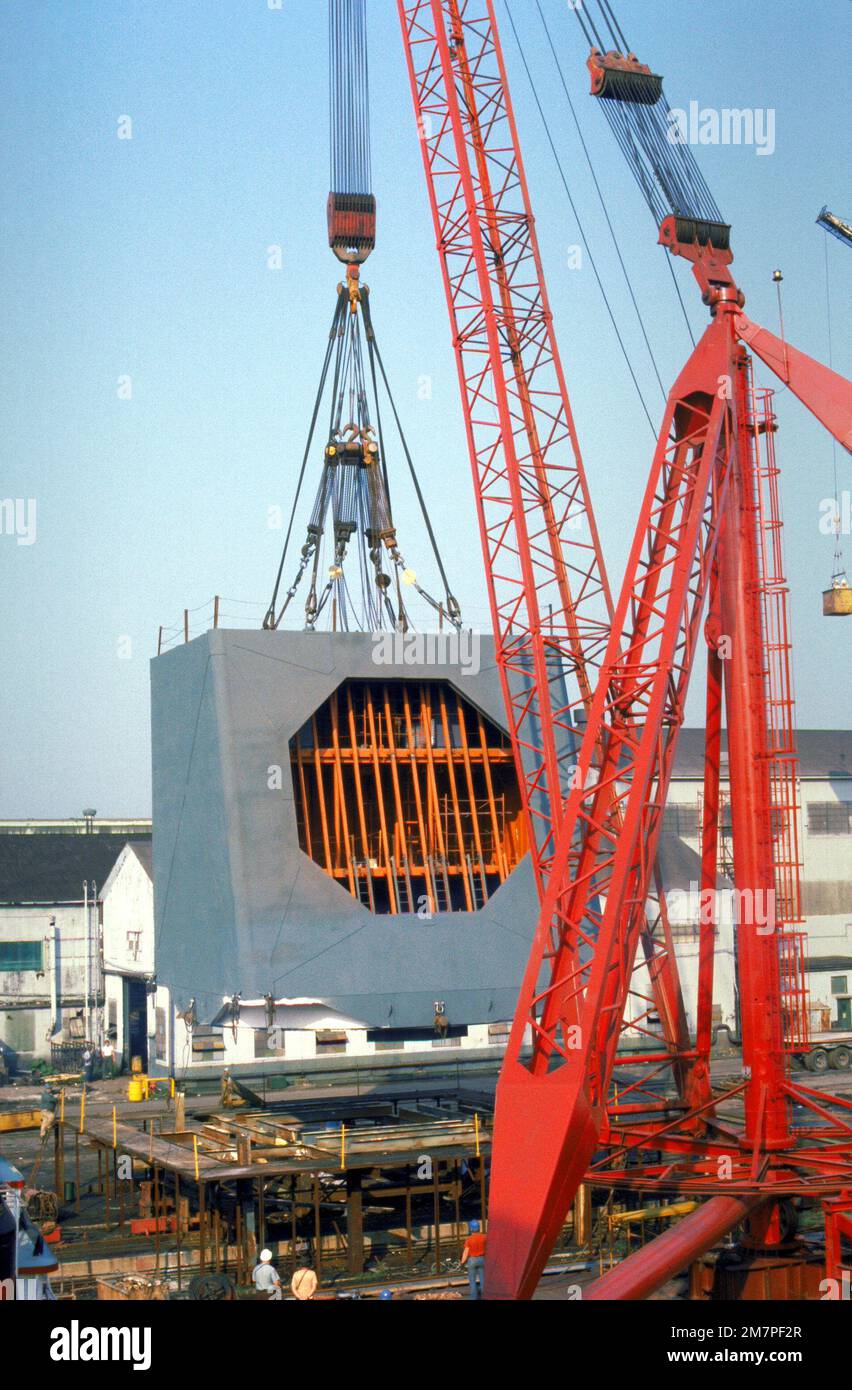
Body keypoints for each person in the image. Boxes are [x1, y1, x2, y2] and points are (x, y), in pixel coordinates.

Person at [460, 1219, 486, 1299]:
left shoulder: (469, 1239)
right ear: (479, 1228)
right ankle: (484, 1295)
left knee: (472, 1280)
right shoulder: (484, 1237)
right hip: (482, 1260)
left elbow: (466, 1252)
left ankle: (474, 1297)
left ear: (471, 1228)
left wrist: (462, 1262)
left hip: (472, 1260)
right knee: (483, 1279)